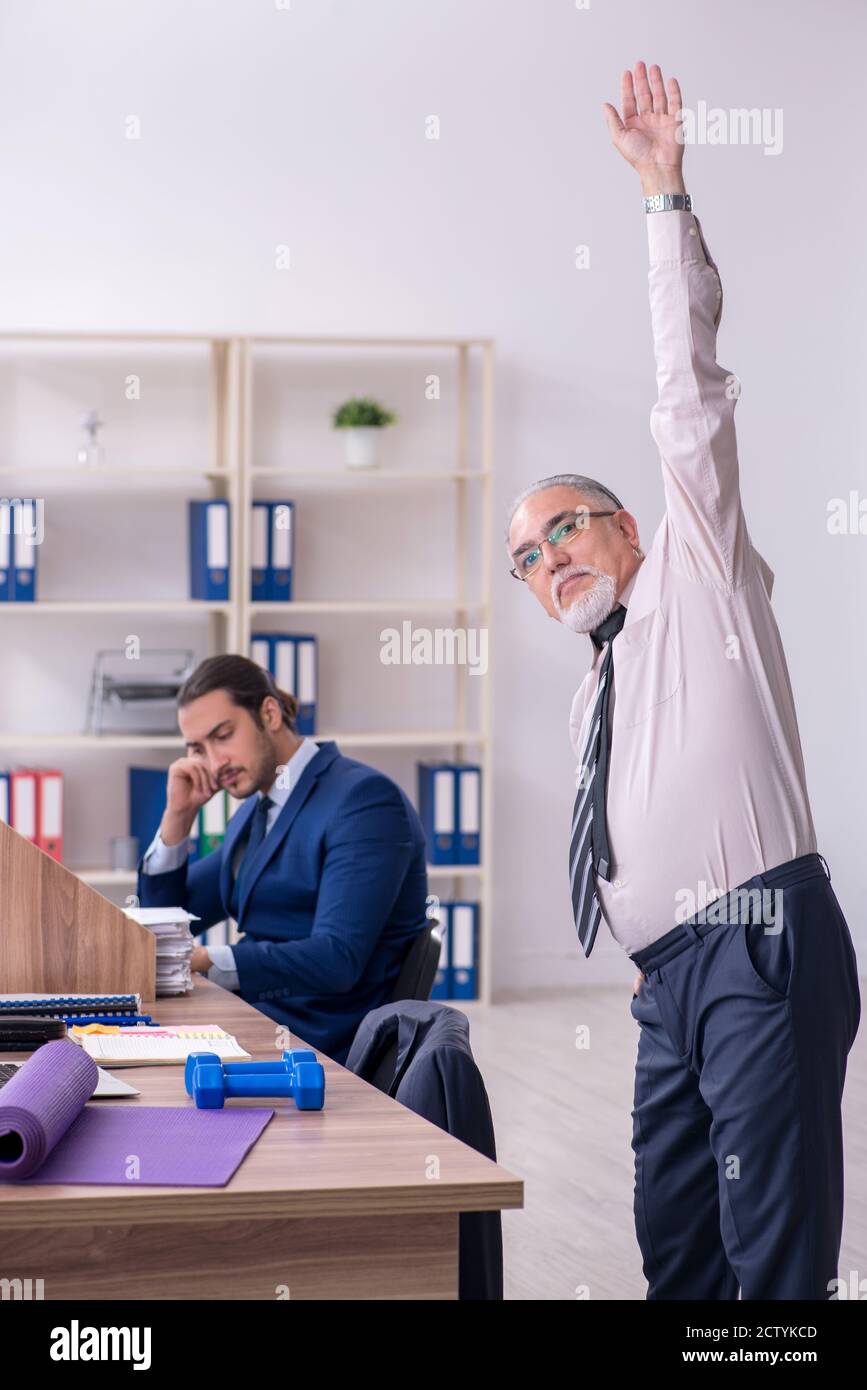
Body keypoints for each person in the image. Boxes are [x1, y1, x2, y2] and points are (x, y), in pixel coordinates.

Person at [506, 60, 860, 1299]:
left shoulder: (696, 574)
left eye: (564, 531)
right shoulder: (591, 689)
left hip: (759, 940)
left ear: (630, 531)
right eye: (525, 561)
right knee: (680, 1248)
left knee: (773, 1264)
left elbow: (688, 398)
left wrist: (664, 197)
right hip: (667, 983)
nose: (547, 562)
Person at [137, 653, 429, 1065]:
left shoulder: (363, 801)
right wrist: (178, 818)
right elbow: (165, 923)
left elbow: (336, 959)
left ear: (269, 713)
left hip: (319, 1046)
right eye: (198, 748)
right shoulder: (259, 811)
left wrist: (206, 960)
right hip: (256, 1023)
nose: (214, 762)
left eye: (223, 735)